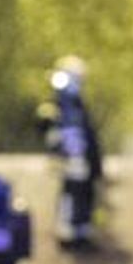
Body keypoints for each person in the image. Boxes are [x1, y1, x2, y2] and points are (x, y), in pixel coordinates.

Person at [45, 56, 102, 248]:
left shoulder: (69, 102)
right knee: (73, 194)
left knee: (81, 195)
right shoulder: (67, 102)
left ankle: (80, 233)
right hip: (74, 159)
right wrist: (77, 158)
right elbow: (71, 132)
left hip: (77, 158)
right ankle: (71, 235)